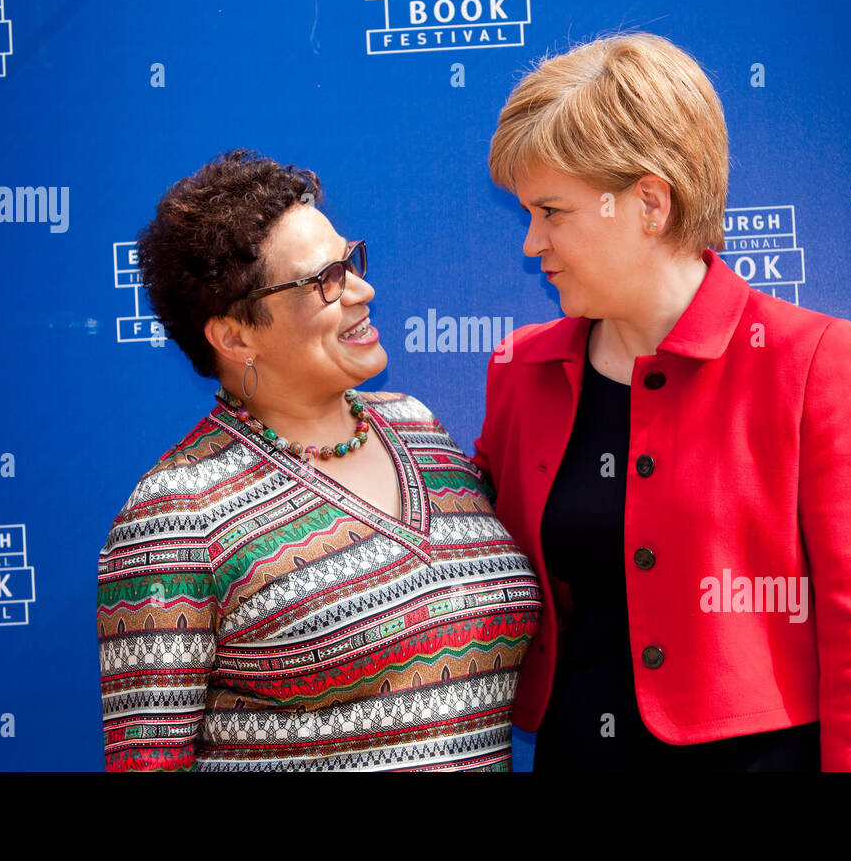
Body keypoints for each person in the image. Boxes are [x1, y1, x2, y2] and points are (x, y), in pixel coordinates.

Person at [474, 32, 851, 771]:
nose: (531, 243)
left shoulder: (806, 361)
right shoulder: (523, 371)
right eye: (527, 213)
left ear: (649, 201)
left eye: (552, 211)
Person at [98, 149, 542, 771]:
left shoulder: (419, 431)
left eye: (351, 261)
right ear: (235, 336)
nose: (363, 290)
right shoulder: (178, 515)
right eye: (324, 280)